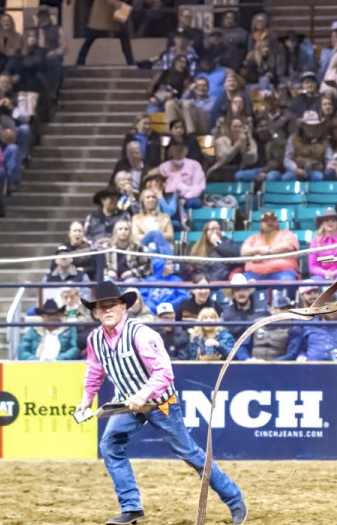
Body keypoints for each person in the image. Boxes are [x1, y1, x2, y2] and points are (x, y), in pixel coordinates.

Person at [74, 281, 247, 525]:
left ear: (124, 307)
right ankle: (132, 508)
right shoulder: (95, 340)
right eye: (101, 308)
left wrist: (142, 395)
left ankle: (235, 499)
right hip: (126, 403)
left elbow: (164, 372)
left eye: (111, 305)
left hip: (160, 403)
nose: (106, 311)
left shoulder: (142, 334)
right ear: (95, 312)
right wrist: (86, 399)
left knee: (190, 454)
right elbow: (94, 370)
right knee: (110, 444)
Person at [240, 211, 300, 289]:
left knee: (288, 282)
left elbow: (288, 246)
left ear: (277, 223)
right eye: (265, 221)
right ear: (260, 224)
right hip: (254, 274)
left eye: (272, 220)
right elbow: (244, 252)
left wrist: (267, 253)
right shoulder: (253, 238)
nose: (269, 223)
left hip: (282, 272)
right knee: (240, 282)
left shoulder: (286, 233)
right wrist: (259, 250)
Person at [307, 208, 337, 281]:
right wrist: (325, 273)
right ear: (322, 223)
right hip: (321, 276)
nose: (330, 223)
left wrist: (335, 273)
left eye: (333, 220)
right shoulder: (315, 241)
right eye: (326, 220)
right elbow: (312, 266)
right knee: (309, 286)